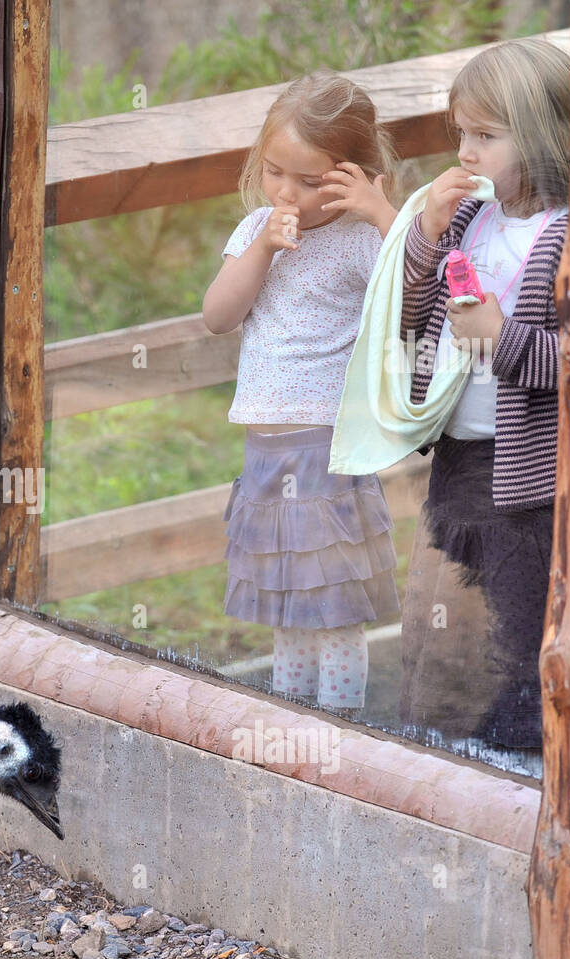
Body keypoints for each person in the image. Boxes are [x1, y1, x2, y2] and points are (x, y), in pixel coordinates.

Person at [396, 38, 570, 771]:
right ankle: (443, 755)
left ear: (543, 133)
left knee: (526, 631)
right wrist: (424, 236)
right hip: (463, 461)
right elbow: (406, 314)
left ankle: (523, 765)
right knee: (448, 626)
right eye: (459, 133)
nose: (466, 152)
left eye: (487, 136)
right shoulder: (473, 218)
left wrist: (502, 340)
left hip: (531, 475)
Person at [203, 70, 400, 711]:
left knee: (333, 601)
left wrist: (381, 212)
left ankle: (340, 723)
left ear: (353, 174)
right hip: (266, 447)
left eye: (310, 181)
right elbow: (218, 315)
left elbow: (413, 292)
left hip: (326, 442)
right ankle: (291, 715)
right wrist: (262, 248)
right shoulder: (256, 231)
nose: (287, 192)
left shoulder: (363, 239)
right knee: (288, 599)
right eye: (274, 172)